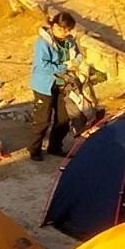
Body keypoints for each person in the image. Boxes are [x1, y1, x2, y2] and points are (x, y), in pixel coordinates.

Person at [28, 10, 80, 161]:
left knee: (63, 118)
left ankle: (55, 147)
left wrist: (75, 62)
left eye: (68, 30)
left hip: (63, 85)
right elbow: (42, 65)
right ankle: (35, 149)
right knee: (42, 120)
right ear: (53, 25)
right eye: (61, 29)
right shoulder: (42, 43)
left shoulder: (69, 41)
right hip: (44, 85)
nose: (64, 32)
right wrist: (63, 67)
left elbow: (77, 54)